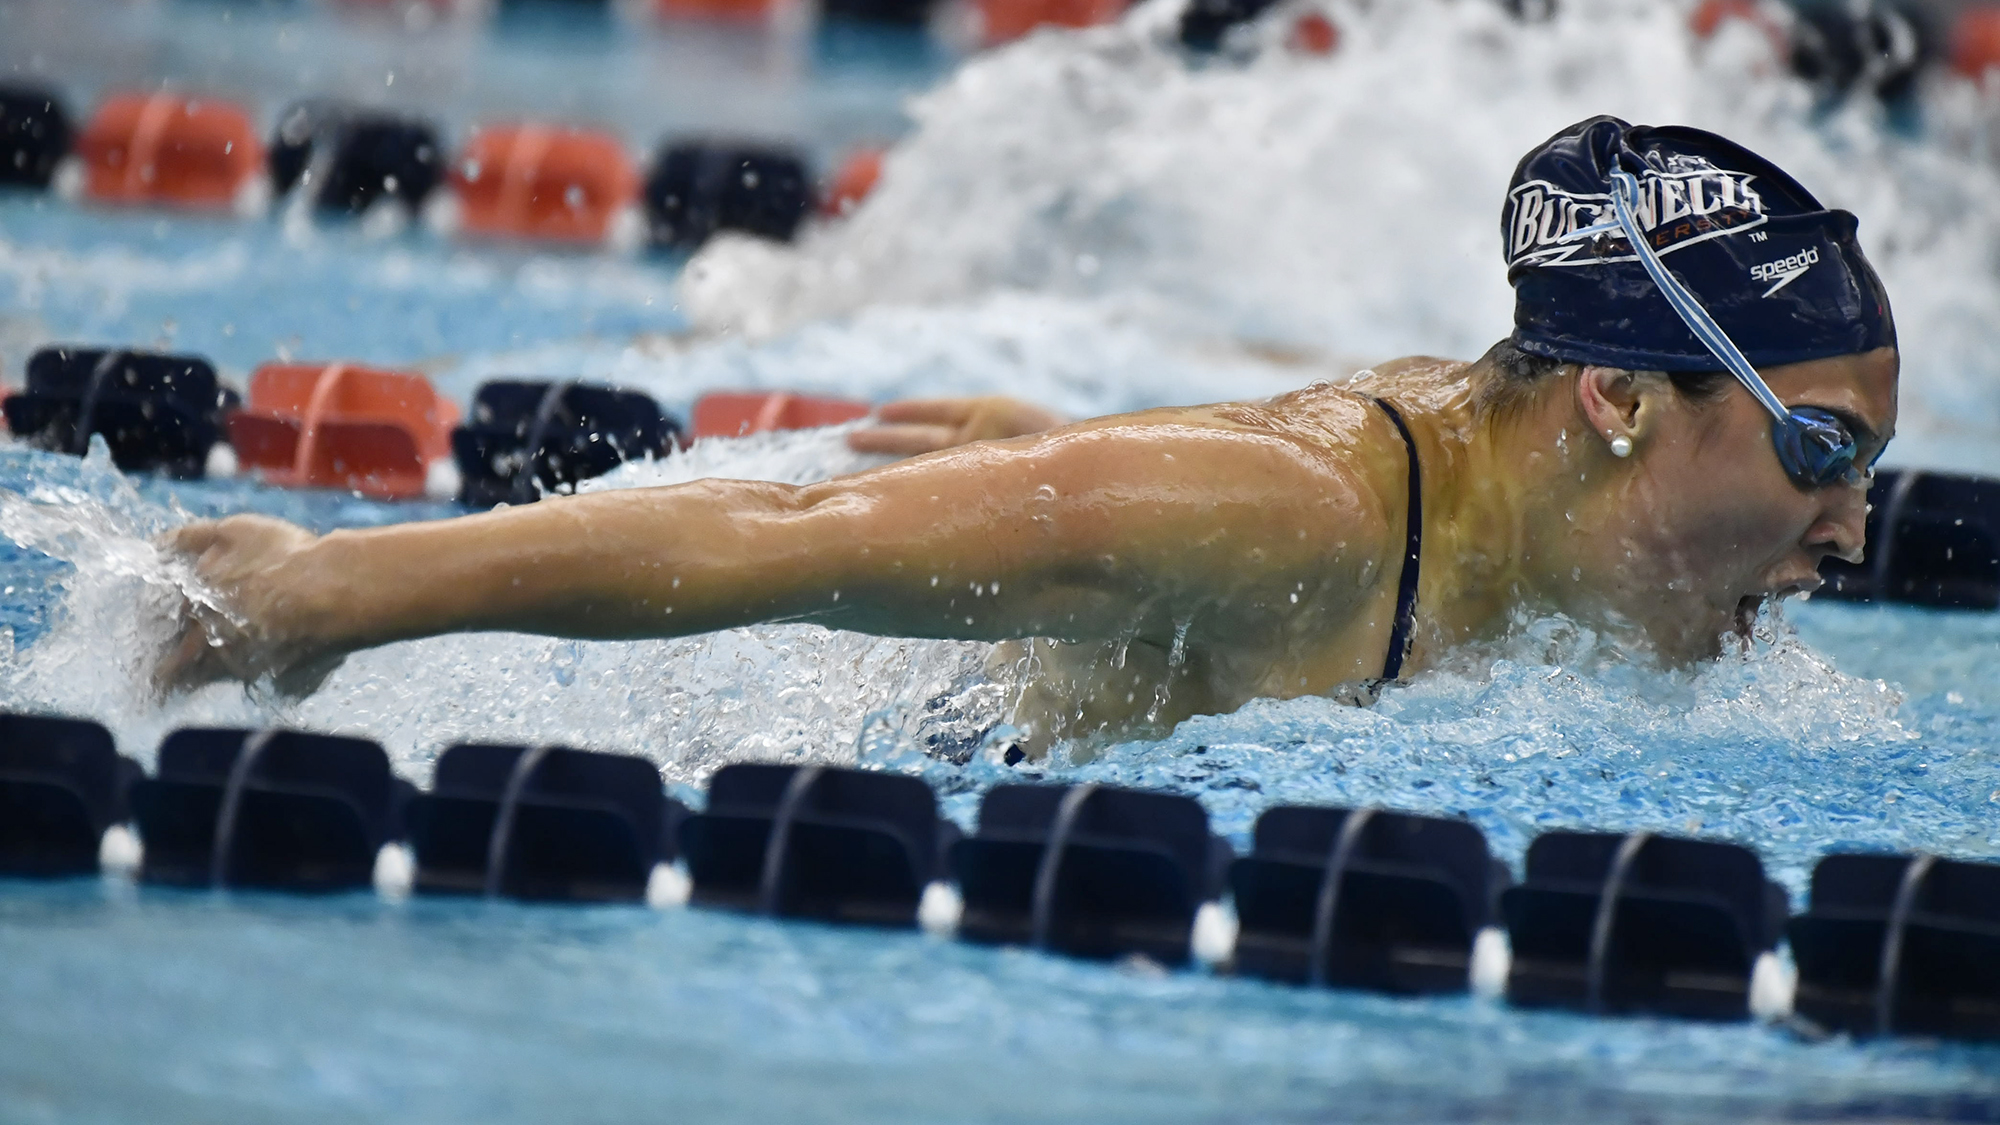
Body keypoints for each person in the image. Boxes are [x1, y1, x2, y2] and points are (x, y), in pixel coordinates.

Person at [157, 117, 1897, 756]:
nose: (1854, 531)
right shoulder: (1298, 524)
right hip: (901, 773)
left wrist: (1076, 448)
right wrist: (329, 590)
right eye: (1819, 452)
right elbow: (781, 543)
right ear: (1613, 400)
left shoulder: (1542, 493)